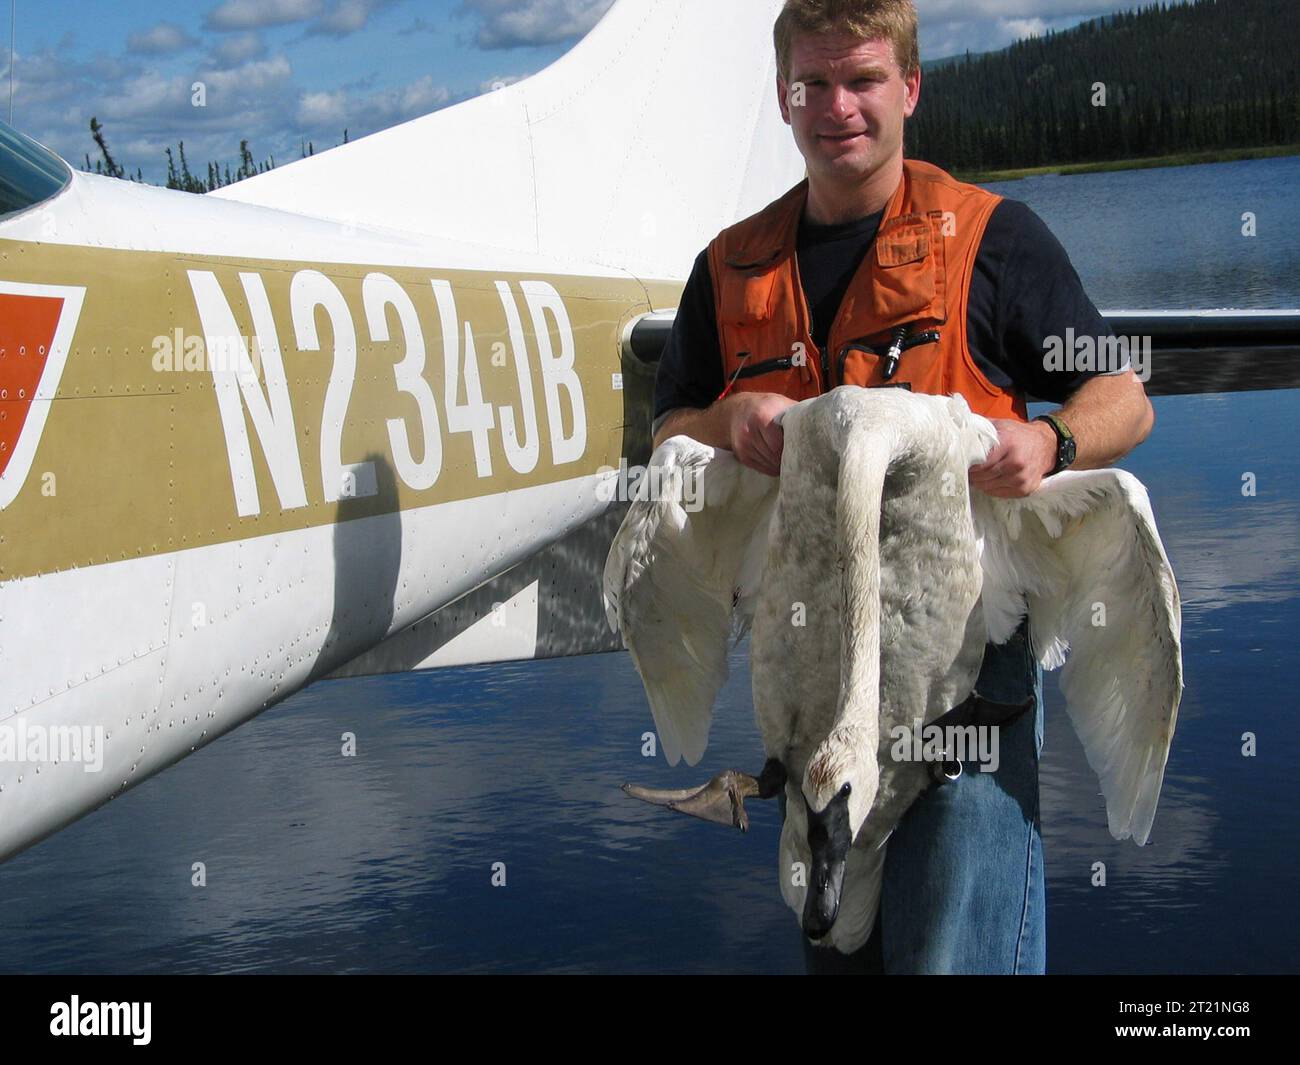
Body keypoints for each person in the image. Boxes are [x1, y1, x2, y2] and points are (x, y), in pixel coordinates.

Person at [650, 0, 1154, 974]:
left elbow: (1125, 393)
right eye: (814, 83)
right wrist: (725, 420)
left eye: (864, 79)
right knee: (837, 934)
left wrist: (1050, 441)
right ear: (784, 97)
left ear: (910, 88)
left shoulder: (993, 242)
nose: (838, 106)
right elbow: (669, 431)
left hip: (964, 685)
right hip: (815, 697)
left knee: (951, 954)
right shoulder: (729, 269)